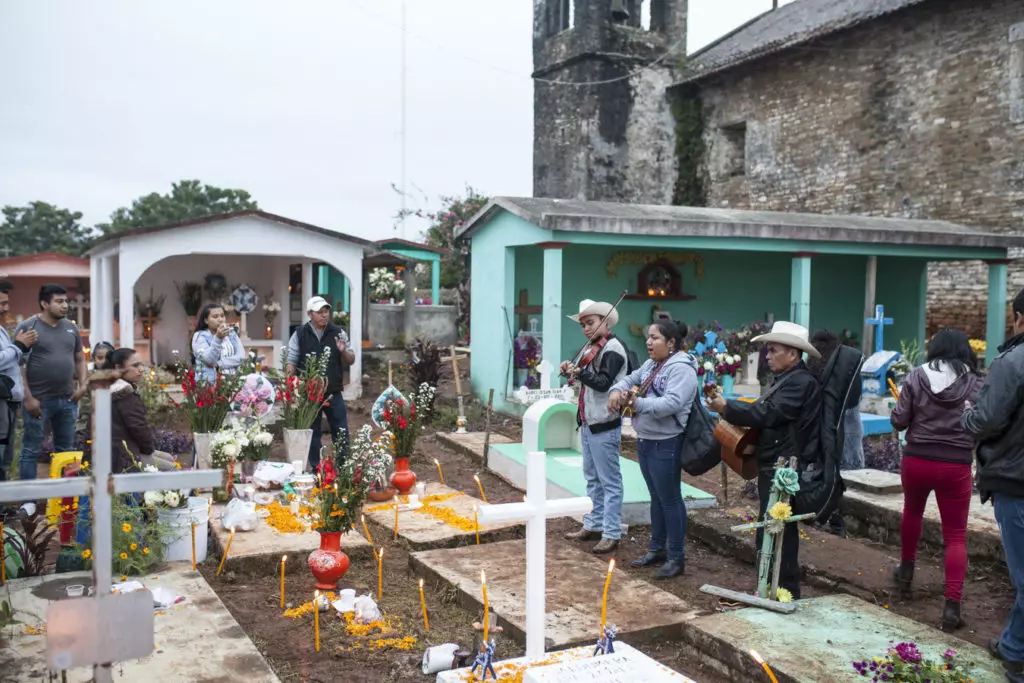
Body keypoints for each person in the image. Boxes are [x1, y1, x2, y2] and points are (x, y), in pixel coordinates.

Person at [706, 321, 822, 600]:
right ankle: (770, 586)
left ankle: (783, 589)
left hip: (786, 468)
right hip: (775, 464)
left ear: (793, 354)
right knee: (771, 530)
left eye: (773, 350)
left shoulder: (801, 383)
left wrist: (728, 408)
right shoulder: (788, 379)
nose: (766, 356)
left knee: (778, 531)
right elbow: (763, 411)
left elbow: (766, 414)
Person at [889, 329, 982, 632]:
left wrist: (900, 413)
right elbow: (983, 423)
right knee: (955, 535)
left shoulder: (917, 375)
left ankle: (905, 571)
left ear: (935, 349)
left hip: (917, 459)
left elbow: (900, 419)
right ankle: (952, 606)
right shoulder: (975, 382)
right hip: (955, 464)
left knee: (912, 513)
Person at [963, 287, 1024, 681]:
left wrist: (967, 418)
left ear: (1020, 317)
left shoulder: (1013, 362)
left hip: (1016, 481)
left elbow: (985, 420)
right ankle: (1012, 646)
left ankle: (1016, 657)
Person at [608, 320, 697, 579]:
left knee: (670, 499)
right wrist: (617, 390)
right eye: (648, 336)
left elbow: (672, 403)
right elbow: (630, 379)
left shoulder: (681, 369)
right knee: (656, 497)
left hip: (666, 442)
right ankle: (657, 549)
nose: (648, 342)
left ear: (671, 343)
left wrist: (637, 404)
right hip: (646, 439)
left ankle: (676, 557)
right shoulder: (651, 365)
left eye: (654, 337)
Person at [560, 299, 629, 554]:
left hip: (605, 423)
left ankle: (611, 532)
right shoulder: (594, 348)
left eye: (590, 323)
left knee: (609, 481)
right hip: (589, 421)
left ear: (605, 320)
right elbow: (586, 380)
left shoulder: (612, 348)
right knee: (592, 478)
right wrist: (572, 370)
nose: (586, 329)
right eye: (583, 325)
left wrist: (579, 372)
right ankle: (593, 523)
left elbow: (602, 383)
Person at [15, 284, 87, 514]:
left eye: (66, 301)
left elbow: (79, 359)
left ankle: (65, 499)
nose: (65, 305)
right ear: (44, 303)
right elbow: (17, 365)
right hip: (38, 401)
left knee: (66, 449)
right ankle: (29, 500)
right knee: (31, 449)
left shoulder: (70, 328)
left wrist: (83, 384)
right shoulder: (28, 327)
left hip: (67, 399)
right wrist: (28, 398)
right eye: (59, 301)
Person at [286, 296, 353, 469]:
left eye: (326, 311)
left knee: (341, 430)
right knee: (312, 433)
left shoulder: (338, 332)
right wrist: (289, 386)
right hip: (309, 393)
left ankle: (343, 467)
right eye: (320, 312)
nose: (324, 315)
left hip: (333, 390)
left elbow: (351, 359)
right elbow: (291, 361)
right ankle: (316, 469)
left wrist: (343, 350)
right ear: (310, 314)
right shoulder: (300, 333)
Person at [808, 329, 863, 537]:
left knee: (818, 472)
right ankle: (836, 520)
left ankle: (816, 513)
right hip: (843, 428)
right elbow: (854, 399)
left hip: (814, 430)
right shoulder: (845, 368)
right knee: (838, 473)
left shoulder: (810, 365)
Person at [103, 348, 178, 473]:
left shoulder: (110, 389)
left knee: (168, 458)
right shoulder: (124, 394)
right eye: (135, 365)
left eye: (141, 364)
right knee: (172, 469)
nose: (141, 369)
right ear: (118, 368)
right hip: (122, 457)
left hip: (118, 452)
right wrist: (148, 450)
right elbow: (139, 429)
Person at [0, 279, 36, 483]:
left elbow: (12, 360)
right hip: (1, 401)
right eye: (2, 304)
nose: (6, 309)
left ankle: (2, 506)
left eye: (7, 303)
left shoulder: (2, 330)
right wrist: (18, 346)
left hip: (9, 401)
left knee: (6, 454)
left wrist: (25, 348)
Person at [191, 303, 246, 384]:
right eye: (215, 317)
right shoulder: (200, 336)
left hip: (233, 384)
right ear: (206, 320)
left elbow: (241, 358)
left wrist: (218, 364)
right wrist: (218, 338)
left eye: (222, 316)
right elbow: (209, 359)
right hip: (209, 386)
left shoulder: (232, 334)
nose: (220, 319)